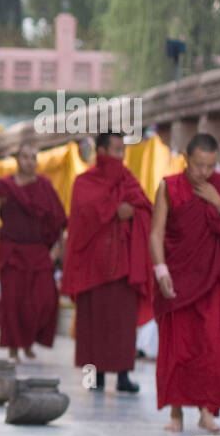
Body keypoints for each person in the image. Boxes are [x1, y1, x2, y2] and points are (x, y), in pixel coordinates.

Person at [150, 132, 220, 433]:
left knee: (212, 346)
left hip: (215, 281)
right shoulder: (168, 187)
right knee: (177, 347)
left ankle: (207, 410)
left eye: (210, 166)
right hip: (179, 279)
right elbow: (156, 233)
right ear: (186, 157)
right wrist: (161, 271)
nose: (204, 173)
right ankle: (175, 413)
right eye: (198, 165)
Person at [61, 131, 153, 392]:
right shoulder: (83, 182)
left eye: (123, 151)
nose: (120, 156)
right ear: (100, 152)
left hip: (122, 266)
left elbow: (146, 207)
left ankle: (123, 376)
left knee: (123, 323)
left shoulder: (128, 180)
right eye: (115, 150)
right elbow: (84, 215)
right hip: (93, 266)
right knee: (92, 325)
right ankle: (95, 377)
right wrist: (115, 209)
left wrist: (133, 212)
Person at [0, 143, 67, 362]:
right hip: (11, 250)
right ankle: (14, 347)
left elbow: (58, 220)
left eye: (33, 157)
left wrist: (57, 250)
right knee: (13, 301)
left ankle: (29, 340)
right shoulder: (4, 187)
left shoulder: (45, 186)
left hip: (39, 251)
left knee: (44, 299)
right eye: (25, 157)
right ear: (17, 159)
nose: (29, 161)